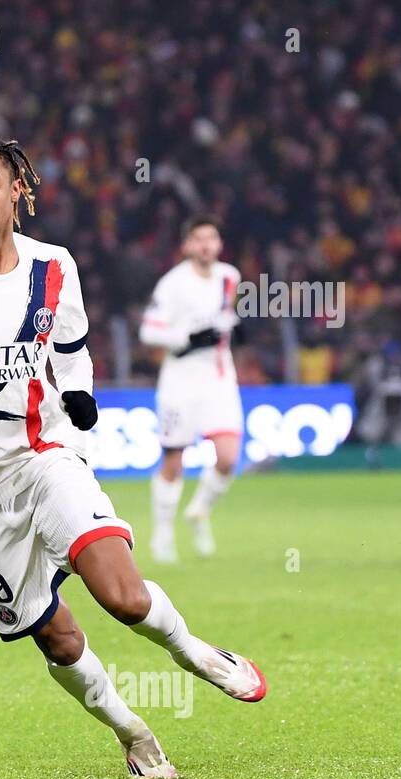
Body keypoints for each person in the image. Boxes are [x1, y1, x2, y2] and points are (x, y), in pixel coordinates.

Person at [0, 137, 265, 779]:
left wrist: (80, 392)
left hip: (44, 454)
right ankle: (132, 732)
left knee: (124, 598)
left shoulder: (54, 266)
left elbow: (72, 350)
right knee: (57, 638)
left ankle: (192, 651)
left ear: (18, 191)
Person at [139, 217, 244, 562]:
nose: (205, 245)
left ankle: (199, 510)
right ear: (186, 246)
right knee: (174, 460)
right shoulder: (173, 284)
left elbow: (228, 318)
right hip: (180, 381)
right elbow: (148, 331)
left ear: (219, 243)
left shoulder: (229, 277)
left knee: (228, 457)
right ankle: (163, 534)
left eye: (211, 238)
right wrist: (185, 338)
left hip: (219, 378)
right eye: (198, 239)